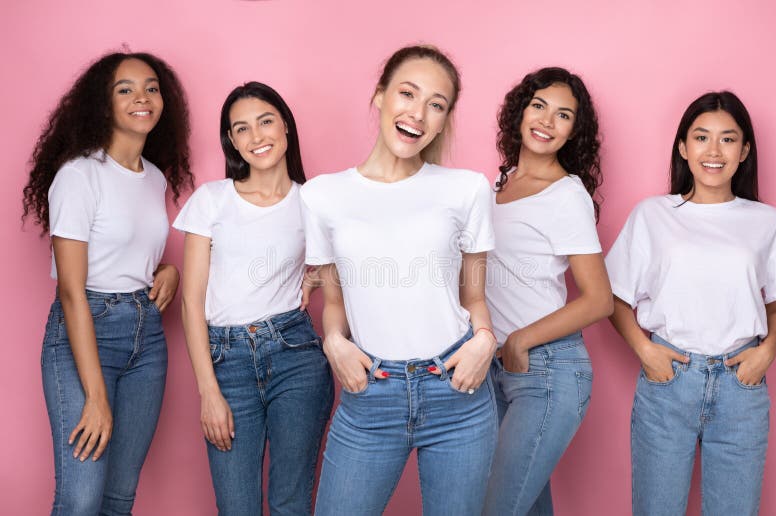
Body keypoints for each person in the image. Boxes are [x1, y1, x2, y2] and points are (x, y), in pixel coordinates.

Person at [301, 45, 497, 516]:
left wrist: (485, 340)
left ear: (445, 118)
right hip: (371, 394)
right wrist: (333, 341)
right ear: (379, 95)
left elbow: (474, 295)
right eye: (407, 93)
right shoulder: (322, 196)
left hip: (457, 391)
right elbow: (334, 301)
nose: (418, 113)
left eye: (436, 104)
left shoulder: (467, 189)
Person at [606, 91, 776, 515]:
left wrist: (766, 353)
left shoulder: (766, 222)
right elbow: (612, 298)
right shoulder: (653, 215)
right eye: (701, 137)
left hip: (740, 386)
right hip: (669, 381)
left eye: (728, 139)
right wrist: (645, 350)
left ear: (745, 150)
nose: (714, 151)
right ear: (683, 146)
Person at [22, 51, 193, 514]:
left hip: (146, 338)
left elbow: (131, 253)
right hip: (86, 329)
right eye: (126, 89)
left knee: (118, 499)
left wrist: (167, 270)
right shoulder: (78, 176)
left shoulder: (154, 179)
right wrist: (95, 396)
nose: (143, 97)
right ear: (103, 104)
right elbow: (72, 292)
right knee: (80, 500)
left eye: (152, 88)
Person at [174, 81, 333, 516]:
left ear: (285, 125)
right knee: (236, 507)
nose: (256, 136)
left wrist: (318, 277)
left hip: (294, 355)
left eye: (265, 121)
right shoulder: (212, 200)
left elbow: (356, 258)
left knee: (290, 502)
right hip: (226, 363)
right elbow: (191, 303)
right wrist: (208, 391)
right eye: (241, 128)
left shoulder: (313, 203)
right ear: (231, 140)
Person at [482, 67, 613, 516]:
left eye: (563, 115)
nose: (546, 120)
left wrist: (521, 339)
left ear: (573, 131)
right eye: (539, 106)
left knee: (493, 506)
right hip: (495, 368)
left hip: (546, 370)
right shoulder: (498, 185)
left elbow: (599, 299)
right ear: (520, 113)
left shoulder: (565, 195)